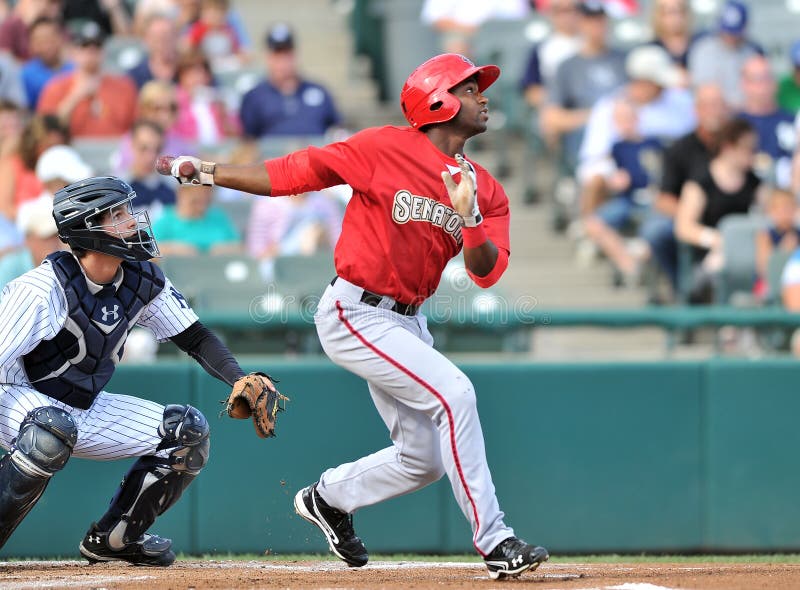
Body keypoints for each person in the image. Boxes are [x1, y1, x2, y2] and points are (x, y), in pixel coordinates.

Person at [159, 52, 549, 580]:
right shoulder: (383, 147)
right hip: (355, 310)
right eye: (471, 87)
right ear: (438, 99)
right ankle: (496, 539)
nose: (483, 97)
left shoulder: (487, 189)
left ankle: (329, 498)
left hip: (409, 322)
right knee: (456, 394)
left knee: (423, 459)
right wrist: (206, 171)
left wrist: (471, 216)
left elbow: (486, 272)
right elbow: (294, 172)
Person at [0, 176, 278, 564]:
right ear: (89, 228)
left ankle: (114, 539)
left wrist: (238, 376)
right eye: (117, 214)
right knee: (49, 431)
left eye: (127, 211)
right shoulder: (41, 289)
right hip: (15, 395)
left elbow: (195, 337)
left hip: (82, 404)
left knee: (187, 433)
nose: (131, 221)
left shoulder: (140, 278)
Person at [644, 83, 729, 291]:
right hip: (691, 220)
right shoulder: (680, 149)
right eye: (708, 105)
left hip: (729, 217)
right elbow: (664, 199)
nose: (714, 111)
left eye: (718, 105)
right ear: (696, 109)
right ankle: (683, 289)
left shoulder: (734, 146)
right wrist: (692, 215)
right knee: (656, 231)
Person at [674, 117, 764, 302]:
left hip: (749, 253)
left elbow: (768, 217)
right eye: (747, 148)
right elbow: (683, 227)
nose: (752, 154)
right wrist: (716, 239)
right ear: (728, 147)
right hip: (711, 256)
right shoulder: (701, 181)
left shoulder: (755, 183)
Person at [583, 98, 663, 284]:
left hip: (653, 201)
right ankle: (630, 266)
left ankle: (644, 261)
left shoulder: (654, 144)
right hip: (628, 201)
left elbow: (656, 175)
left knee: (656, 229)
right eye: (619, 119)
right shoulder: (616, 148)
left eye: (627, 117)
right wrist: (614, 181)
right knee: (594, 223)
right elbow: (606, 173)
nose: (624, 123)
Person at [540, 0, 627, 169]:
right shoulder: (567, 66)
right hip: (588, 139)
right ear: (580, 23)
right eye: (590, 20)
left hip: (626, 133)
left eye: (600, 20)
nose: (596, 26)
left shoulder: (623, 59)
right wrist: (599, 115)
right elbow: (552, 117)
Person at [37, 20, 138, 138]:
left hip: (114, 152)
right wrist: (75, 97)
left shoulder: (124, 87)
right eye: (84, 46)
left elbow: (136, 130)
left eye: (97, 46)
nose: (91, 52)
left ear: (104, 51)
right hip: (71, 152)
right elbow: (45, 132)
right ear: (73, 52)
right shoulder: (55, 87)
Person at [239, 23, 341, 139]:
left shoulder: (319, 92)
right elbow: (247, 140)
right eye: (277, 55)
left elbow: (336, 129)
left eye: (286, 54)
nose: (282, 61)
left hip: (312, 155)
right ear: (268, 57)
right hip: (272, 156)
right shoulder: (255, 97)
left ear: (295, 55)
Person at [687, 0, 763, 108]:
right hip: (713, 111)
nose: (730, 37)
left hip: (745, 114)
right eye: (727, 31)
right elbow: (702, 91)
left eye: (734, 33)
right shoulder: (703, 50)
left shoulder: (752, 52)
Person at [737, 56, 795, 188]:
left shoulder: (793, 121)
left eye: (767, 78)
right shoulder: (734, 125)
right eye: (756, 79)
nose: (763, 86)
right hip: (746, 195)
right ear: (743, 83)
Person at [152, 183, 240, 255]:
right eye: (197, 192)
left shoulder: (218, 218)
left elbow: (239, 247)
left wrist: (222, 250)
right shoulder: (165, 220)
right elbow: (146, 251)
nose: (203, 197)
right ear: (182, 193)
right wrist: (172, 249)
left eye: (207, 192)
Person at [0, 191, 63, 290]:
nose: (53, 243)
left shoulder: (65, 264)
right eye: (45, 238)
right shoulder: (9, 267)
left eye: (55, 236)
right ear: (28, 239)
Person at [754, 188, 800, 298]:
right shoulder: (765, 236)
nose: (787, 213)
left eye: (790, 208)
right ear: (772, 211)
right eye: (783, 209)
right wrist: (783, 251)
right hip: (769, 284)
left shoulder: (797, 234)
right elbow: (763, 268)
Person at [21, 16, 73, 110]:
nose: (46, 46)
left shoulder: (75, 70)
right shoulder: (27, 74)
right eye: (40, 41)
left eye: (50, 39)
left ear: (60, 38)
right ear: (32, 44)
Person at [126, 13, 178, 90]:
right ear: (146, 39)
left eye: (167, 36)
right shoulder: (135, 76)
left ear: (176, 36)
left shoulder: (188, 69)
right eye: (157, 38)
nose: (163, 42)